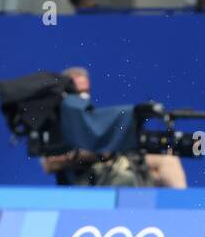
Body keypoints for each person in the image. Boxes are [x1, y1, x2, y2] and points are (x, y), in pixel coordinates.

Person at [39, 67, 187, 189]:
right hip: (86, 178)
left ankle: (185, 214)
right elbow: (48, 163)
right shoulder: (55, 120)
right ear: (66, 92)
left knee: (168, 160)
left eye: (87, 91)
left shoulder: (93, 120)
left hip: (115, 163)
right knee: (127, 174)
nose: (84, 96)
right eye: (79, 92)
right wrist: (94, 152)